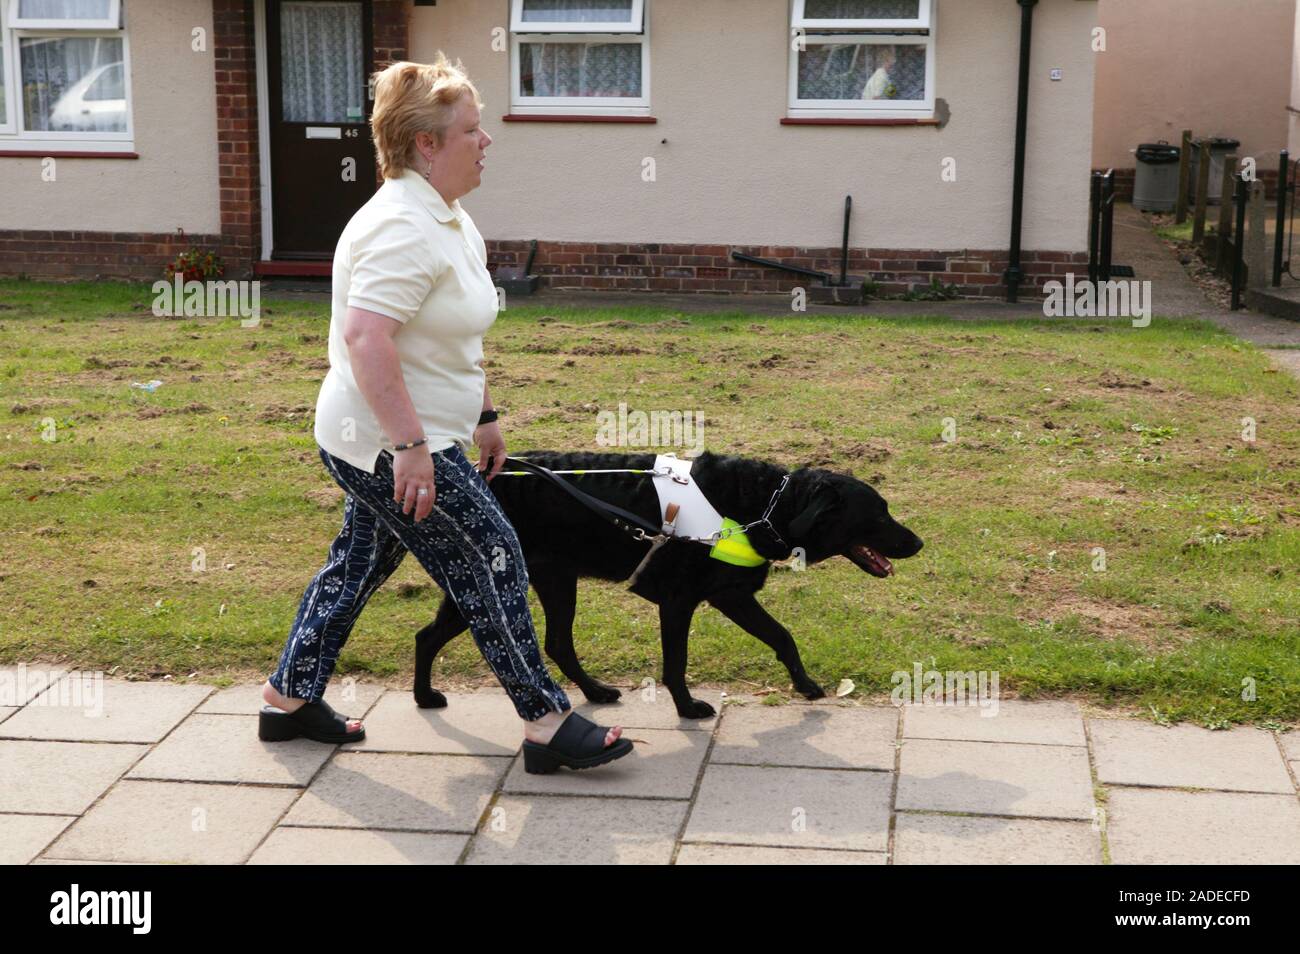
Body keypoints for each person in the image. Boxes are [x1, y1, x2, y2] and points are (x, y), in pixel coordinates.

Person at [258, 54, 632, 775]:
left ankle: (287, 699)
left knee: (359, 564)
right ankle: (546, 720)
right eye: (472, 129)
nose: (486, 140)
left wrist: (485, 413)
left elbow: (458, 332)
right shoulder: (400, 225)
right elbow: (368, 339)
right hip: (380, 441)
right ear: (426, 143)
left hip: (420, 436)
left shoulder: (449, 218)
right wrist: (411, 447)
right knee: (490, 553)